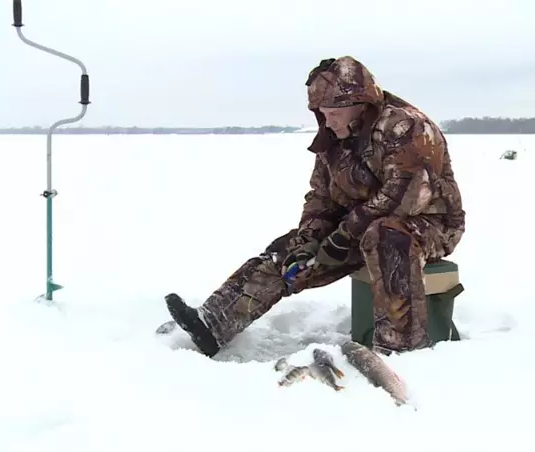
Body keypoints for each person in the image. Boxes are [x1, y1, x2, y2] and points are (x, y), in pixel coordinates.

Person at [164, 56, 465, 358]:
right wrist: (309, 239)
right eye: (322, 114)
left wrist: (343, 236)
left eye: (334, 113)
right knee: (290, 250)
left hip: (428, 223)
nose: (328, 121)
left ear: (361, 104)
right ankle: (214, 322)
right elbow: (322, 197)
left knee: (386, 236)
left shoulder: (406, 127)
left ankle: (400, 349)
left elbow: (404, 197)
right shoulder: (334, 138)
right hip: (359, 226)